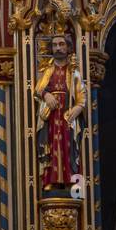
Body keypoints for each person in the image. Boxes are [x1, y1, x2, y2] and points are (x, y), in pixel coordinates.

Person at [34, 33, 85, 189]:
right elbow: (38, 89)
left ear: (68, 47)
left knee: (69, 147)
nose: (58, 47)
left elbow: (82, 97)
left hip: (67, 115)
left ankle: (74, 186)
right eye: (55, 45)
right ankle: (49, 180)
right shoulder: (48, 70)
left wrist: (76, 109)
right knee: (51, 144)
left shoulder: (73, 72)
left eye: (61, 44)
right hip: (51, 114)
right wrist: (46, 94)